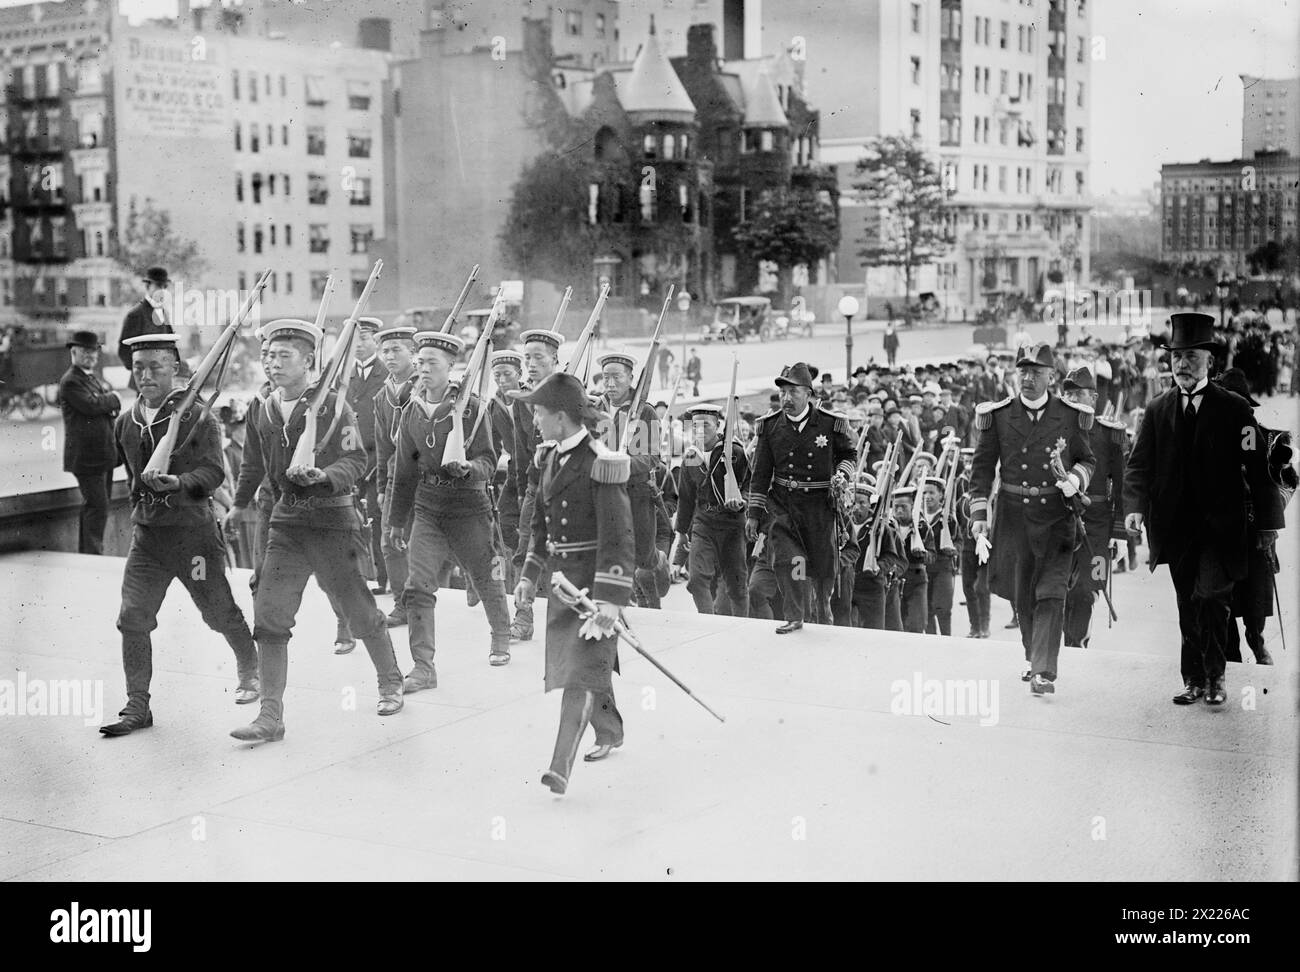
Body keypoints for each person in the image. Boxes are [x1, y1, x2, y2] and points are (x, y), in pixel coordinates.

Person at [225, 319, 405, 742]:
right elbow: (252, 465)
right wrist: (237, 504)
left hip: (331, 522)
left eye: (283, 356)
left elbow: (356, 460)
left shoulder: (331, 406)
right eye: (268, 356)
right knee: (269, 616)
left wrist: (323, 476)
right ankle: (271, 717)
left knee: (358, 610)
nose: (272, 364)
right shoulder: (262, 409)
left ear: (308, 362)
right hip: (286, 523)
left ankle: (391, 681)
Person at [100, 334, 259, 737]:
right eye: (138, 368)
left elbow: (213, 473)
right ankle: (137, 706)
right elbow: (132, 477)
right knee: (133, 617)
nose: (146, 375)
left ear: (175, 368)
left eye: (155, 367)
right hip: (148, 538)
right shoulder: (125, 421)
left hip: (193, 536)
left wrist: (178, 483)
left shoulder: (198, 417)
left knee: (217, 610)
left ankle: (250, 667)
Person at [1124, 315, 1283, 707]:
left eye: (1191, 357)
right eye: (1177, 357)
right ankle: (1193, 680)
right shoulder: (1158, 410)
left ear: (1209, 361)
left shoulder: (1235, 410)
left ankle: (1215, 676)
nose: (1182, 365)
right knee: (1187, 604)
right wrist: (1134, 509)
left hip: (1221, 528)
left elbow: (1259, 471)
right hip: (1176, 529)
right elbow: (1139, 465)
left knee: (1211, 597)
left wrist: (1267, 525)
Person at [511, 372, 635, 796]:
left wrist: (611, 604)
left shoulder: (601, 461)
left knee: (579, 675)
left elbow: (619, 540)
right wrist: (529, 577)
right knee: (583, 667)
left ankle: (558, 768)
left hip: (595, 589)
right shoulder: (547, 459)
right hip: (563, 588)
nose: (536, 422)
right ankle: (611, 730)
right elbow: (542, 529)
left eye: (540, 413)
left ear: (561, 417)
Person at [968, 342, 1096, 696]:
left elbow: (1088, 460)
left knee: (1052, 593)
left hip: (1057, 518)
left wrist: (1074, 479)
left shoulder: (1070, 415)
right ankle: (1032, 654)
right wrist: (980, 513)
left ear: (1051, 377)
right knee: (1023, 597)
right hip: (1013, 518)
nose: (1027, 379)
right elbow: (981, 469)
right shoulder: (999, 415)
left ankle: (1043, 670)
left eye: (1036, 372)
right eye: (1023, 371)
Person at [388, 331, 512, 684]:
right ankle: (424, 667)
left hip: (468, 507)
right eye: (420, 362)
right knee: (417, 586)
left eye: (432, 363)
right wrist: (397, 521)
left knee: (486, 575)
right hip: (428, 508)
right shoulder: (411, 410)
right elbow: (405, 469)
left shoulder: (472, 408)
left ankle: (501, 636)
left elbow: (489, 458)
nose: (424, 369)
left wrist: (470, 468)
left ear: (451, 366)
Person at [745, 362, 858, 633]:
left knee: (821, 566)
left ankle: (823, 604)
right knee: (788, 559)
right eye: (783, 392)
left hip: (819, 507)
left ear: (808, 394)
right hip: (783, 506)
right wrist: (753, 514)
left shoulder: (831, 424)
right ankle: (795, 614)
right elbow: (760, 474)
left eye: (793, 392)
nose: (786, 398)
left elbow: (848, 455)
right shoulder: (769, 427)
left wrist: (842, 474)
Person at [1059, 366, 1128, 650]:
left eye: (1080, 395)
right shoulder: (1054, 431)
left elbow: (1123, 486)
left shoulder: (1109, 435)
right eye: (1069, 394)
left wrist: (1121, 533)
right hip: (1059, 523)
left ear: (1094, 398)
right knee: (1058, 591)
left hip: (1098, 527)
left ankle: (1076, 645)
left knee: (1087, 590)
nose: (1074, 400)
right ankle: (1063, 644)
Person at [596, 351, 669, 608]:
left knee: (643, 557)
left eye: (617, 377)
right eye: (606, 378)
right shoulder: (596, 410)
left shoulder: (645, 412)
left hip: (636, 491)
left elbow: (652, 458)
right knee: (610, 551)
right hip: (604, 492)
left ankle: (660, 561)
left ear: (630, 378)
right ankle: (623, 606)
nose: (611, 384)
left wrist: (622, 464)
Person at [509, 327, 565, 642]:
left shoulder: (570, 392)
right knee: (524, 551)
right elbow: (519, 451)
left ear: (555, 360)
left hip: (568, 488)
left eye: (538, 358)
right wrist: (521, 493)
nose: (531, 364)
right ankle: (522, 617)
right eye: (526, 358)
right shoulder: (521, 398)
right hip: (535, 488)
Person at [675, 403, 750, 615]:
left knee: (736, 585)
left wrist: (742, 502)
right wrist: (681, 533)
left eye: (706, 425)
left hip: (732, 523)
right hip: (704, 523)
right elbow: (686, 499)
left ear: (718, 426)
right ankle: (708, 622)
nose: (700, 430)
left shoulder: (734, 452)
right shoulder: (690, 457)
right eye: (695, 425)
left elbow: (749, 485)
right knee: (697, 579)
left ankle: (741, 627)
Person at [372, 325, 420, 628]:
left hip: (425, 476)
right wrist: (380, 485)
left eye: (396, 350)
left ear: (412, 353)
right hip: (394, 478)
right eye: (385, 351)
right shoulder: (382, 395)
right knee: (390, 541)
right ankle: (404, 605)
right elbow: (382, 444)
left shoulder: (425, 386)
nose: (389, 356)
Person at [58, 330, 122, 555]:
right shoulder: (71, 381)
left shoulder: (89, 378)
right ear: (73, 352)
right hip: (87, 459)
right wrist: (113, 398)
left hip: (101, 456)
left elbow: (102, 406)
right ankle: (93, 556)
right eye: (85, 351)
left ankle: (90, 555)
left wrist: (106, 402)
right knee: (98, 507)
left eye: (94, 351)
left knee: (96, 507)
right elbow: (92, 406)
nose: (91, 356)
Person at [117, 267, 174, 387]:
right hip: (145, 381)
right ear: (148, 286)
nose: (162, 290)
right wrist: (140, 371)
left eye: (165, 287)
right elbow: (123, 349)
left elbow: (171, 344)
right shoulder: (136, 314)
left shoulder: (163, 313)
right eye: (158, 286)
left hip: (163, 379)